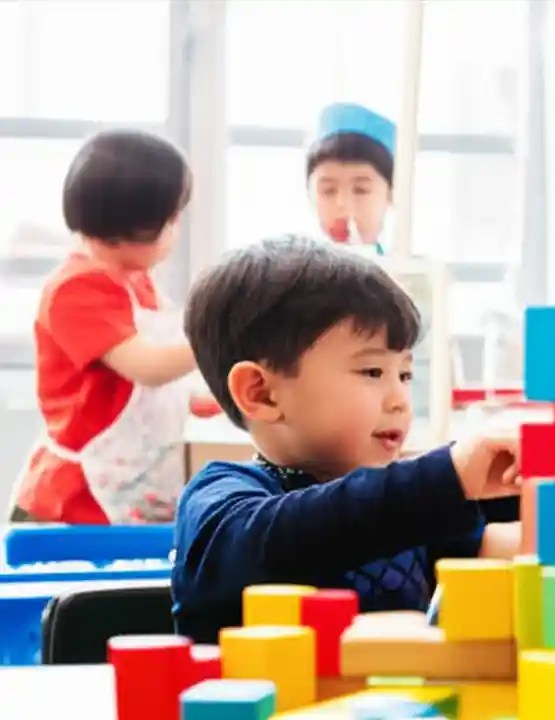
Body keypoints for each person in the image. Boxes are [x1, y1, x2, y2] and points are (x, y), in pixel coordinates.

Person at [172, 236, 520, 642]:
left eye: (405, 375)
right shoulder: (221, 504)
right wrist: (447, 475)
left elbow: (517, 549)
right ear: (261, 392)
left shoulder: (411, 514)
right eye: (372, 372)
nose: (399, 400)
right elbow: (285, 538)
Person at [11, 129, 209, 525]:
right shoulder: (77, 289)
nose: (176, 230)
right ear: (137, 224)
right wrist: (217, 338)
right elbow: (148, 368)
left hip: (129, 484)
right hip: (76, 498)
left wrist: (206, 402)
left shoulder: (137, 281)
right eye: (172, 218)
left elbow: (141, 395)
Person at [306, 102, 396, 252]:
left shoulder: (404, 272)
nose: (342, 203)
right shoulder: (292, 272)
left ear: (391, 194)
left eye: (360, 190)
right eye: (328, 190)